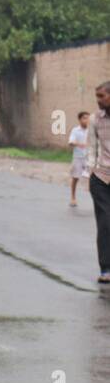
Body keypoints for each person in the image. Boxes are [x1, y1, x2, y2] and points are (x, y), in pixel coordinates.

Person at [88, 82, 110, 283]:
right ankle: (106, 269)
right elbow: (91, 148)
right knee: (105, 223)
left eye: (101, 96)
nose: (98, 100)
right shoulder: (95, 119)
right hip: (101, 178)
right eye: (97, 96)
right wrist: (91, 171)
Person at [69, 111, 91, 207]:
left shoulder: (91, 130)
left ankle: (97, 201)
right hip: (78, 158)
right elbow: (70, 142)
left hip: (89, 158)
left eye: (88, 118)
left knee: (94, 179)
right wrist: (79, 144)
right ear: (80, 119)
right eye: (85, 118)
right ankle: (73, 198)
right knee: (75, 178)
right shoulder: (75, 130)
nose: (87, 120)